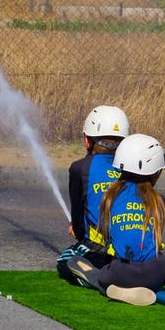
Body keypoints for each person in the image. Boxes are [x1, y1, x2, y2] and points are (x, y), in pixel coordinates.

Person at [68, 133, 165, 306]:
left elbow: (108, 238)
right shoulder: (161, 202)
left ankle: (116, 289)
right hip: (156, 272)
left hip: (123, 272)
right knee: (152, 258)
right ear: (156, 172)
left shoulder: (109, 198)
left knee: (83, 266)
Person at [56, 105, 131, 285]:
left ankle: (100, 280)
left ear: (87, 140)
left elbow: (78, 222)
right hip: (133, 251)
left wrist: (77, 231)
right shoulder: (132, 168)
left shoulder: (80, 168)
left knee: (65, 260)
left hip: (100, 252)